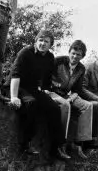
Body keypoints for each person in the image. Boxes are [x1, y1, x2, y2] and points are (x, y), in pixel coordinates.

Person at [8, 30, 69, 161]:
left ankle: (56, 148)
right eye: (40, 40)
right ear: (36, 41)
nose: (43, 43)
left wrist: (46, 91)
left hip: (33, 88)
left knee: (54, 108)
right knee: (31, 104)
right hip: (17, 85)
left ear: (50, 44)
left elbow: (46, 79)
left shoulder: (49, 57)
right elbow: (15, 74)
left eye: (46, 41)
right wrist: (13, 96)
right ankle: (26, 144)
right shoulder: (26, 53)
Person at [50, 40, 98, 159]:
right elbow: (46, 77)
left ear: (82, 56)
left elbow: (78, 88)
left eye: (78, 55)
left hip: (68, 94)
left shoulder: (81, 68)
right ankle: (60, 145)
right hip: (52, 92)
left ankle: (78, 144)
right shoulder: (58, 61)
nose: (75, 56)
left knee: (88, 106)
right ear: (69, 52)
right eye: (73, 53)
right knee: (66, 106)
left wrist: (74, 95)